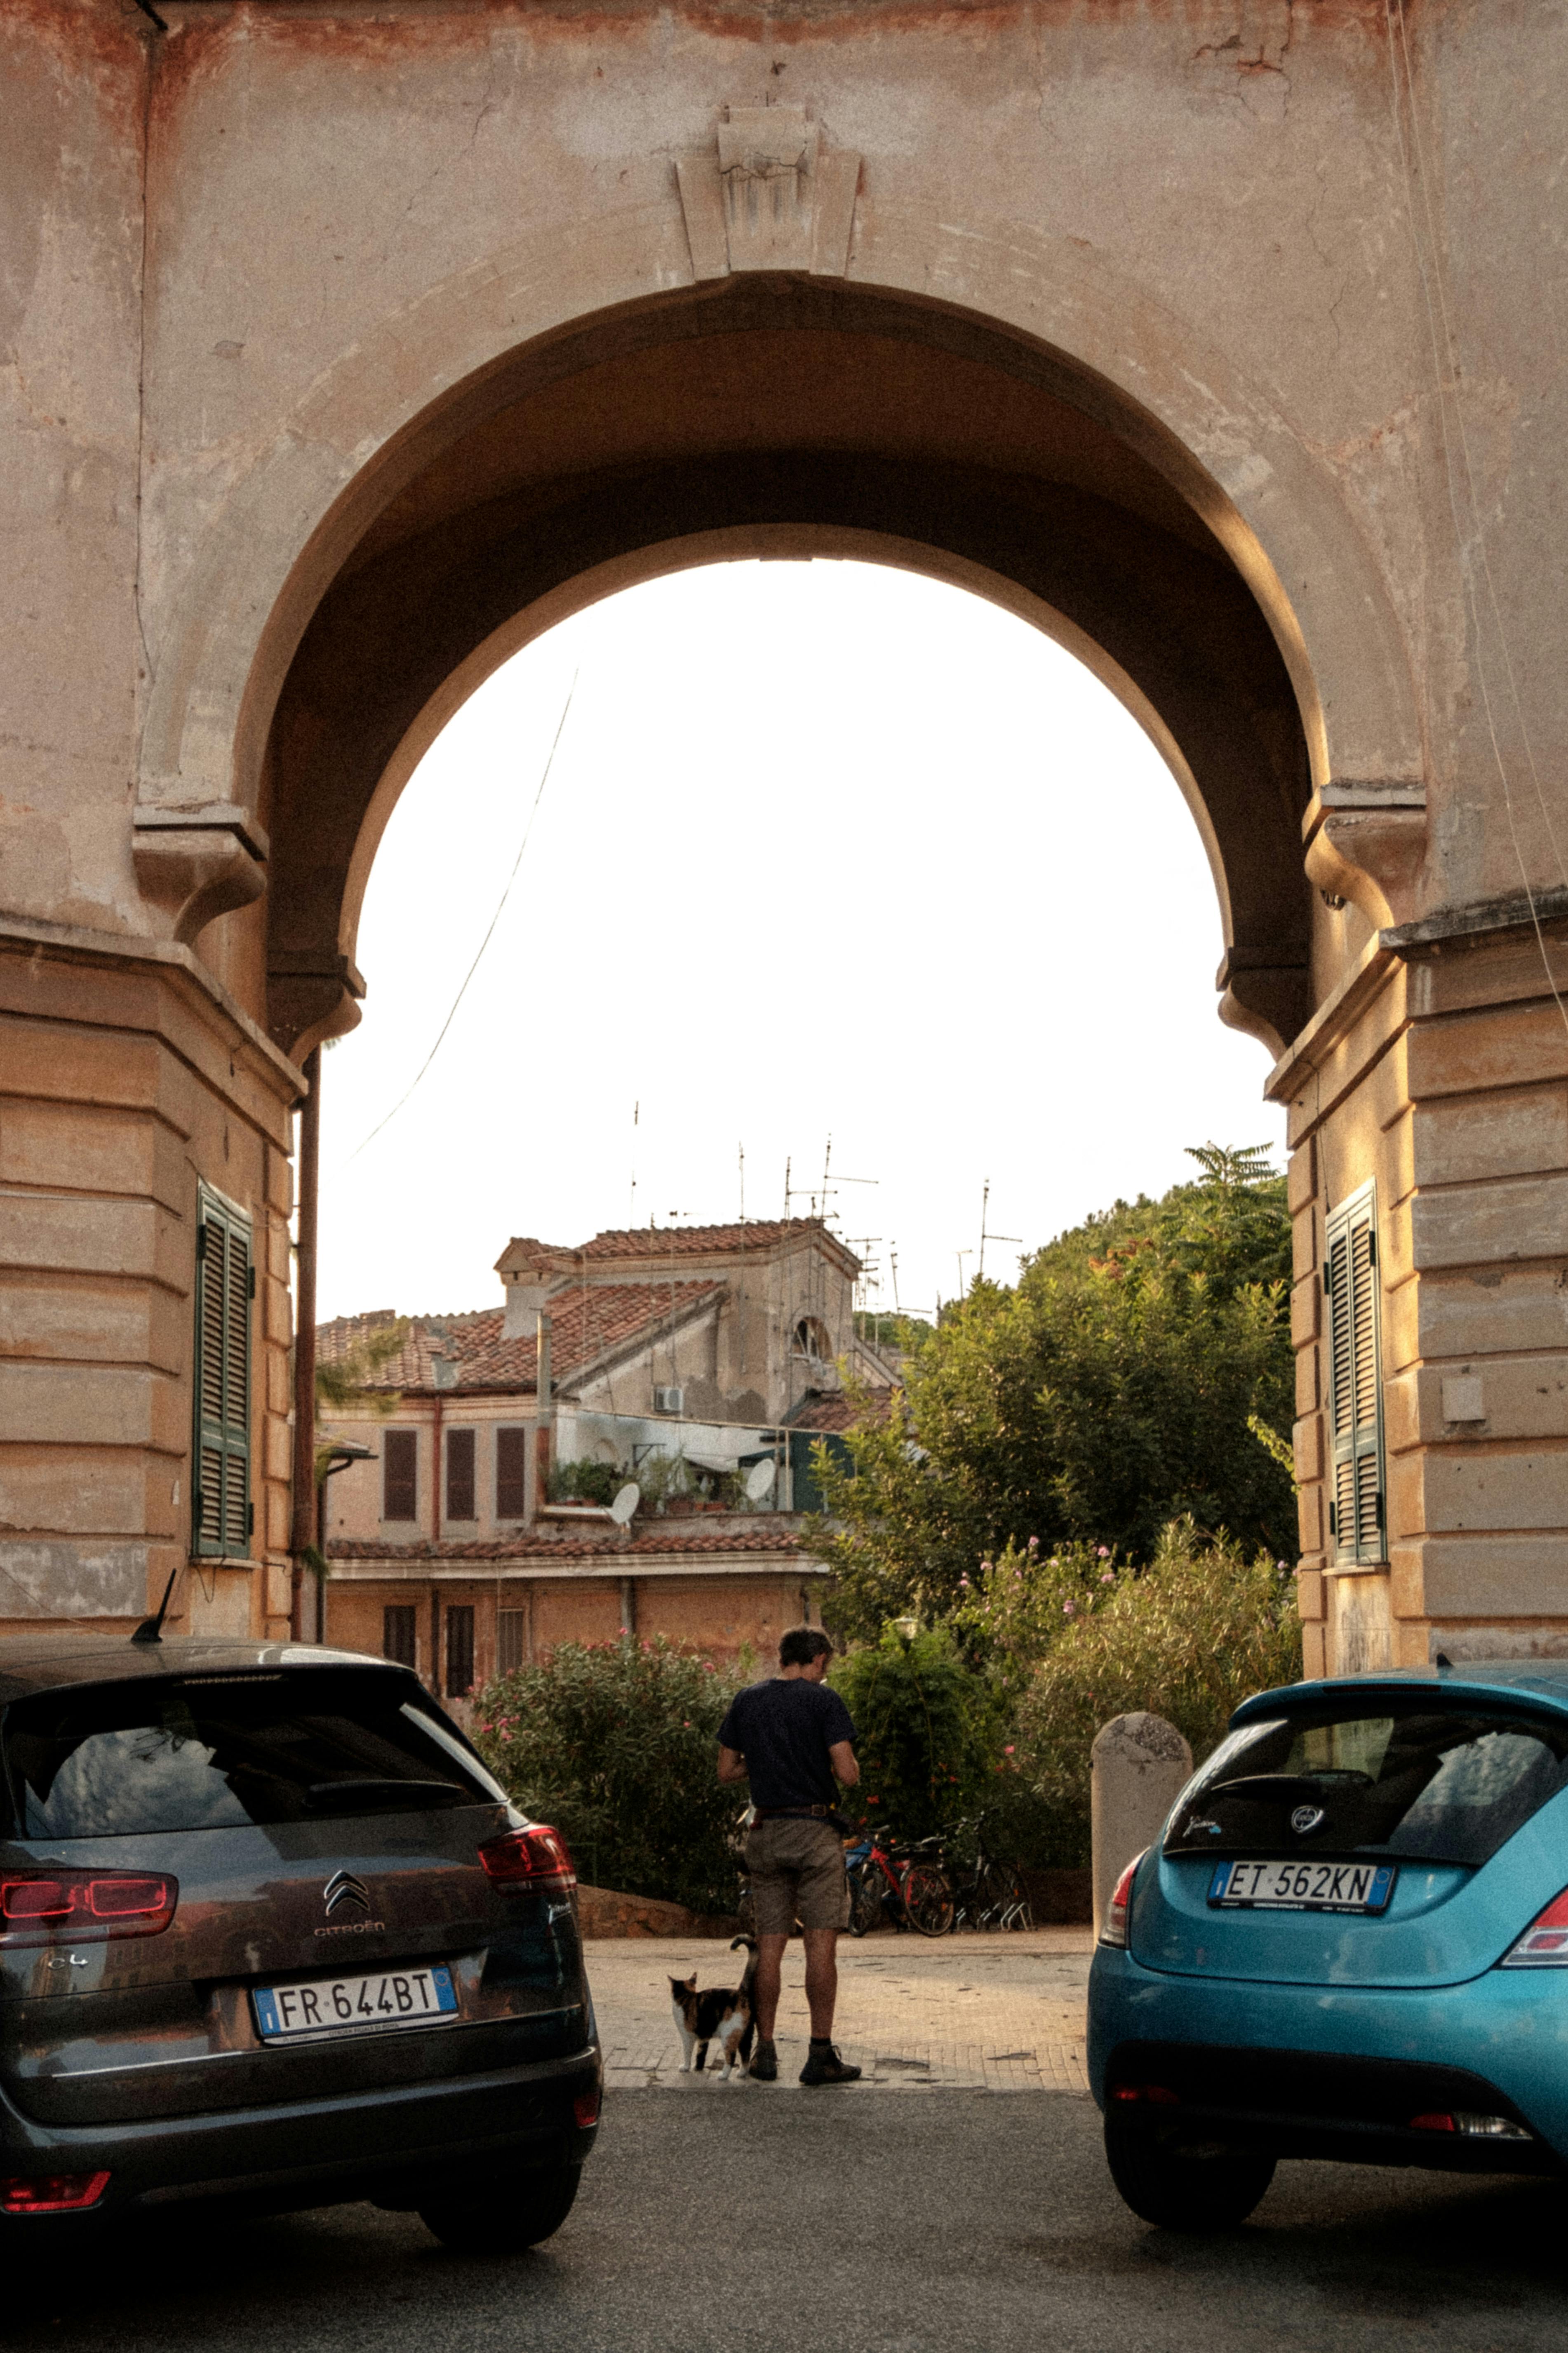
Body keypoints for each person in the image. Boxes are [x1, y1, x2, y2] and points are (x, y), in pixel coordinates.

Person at [716, 1625, 862, 2086]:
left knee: (771, 1946)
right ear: (818, 1659)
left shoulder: (747, 1700)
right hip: (814, 1832)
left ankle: (765, 2051)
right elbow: (847, 1773)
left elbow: (726, 1770)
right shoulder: (824, 1701)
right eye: (827, 1664)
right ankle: (820, 2055)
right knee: (820, 1945)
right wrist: (843, 1765)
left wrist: (762, 1765)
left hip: (766, 1832)